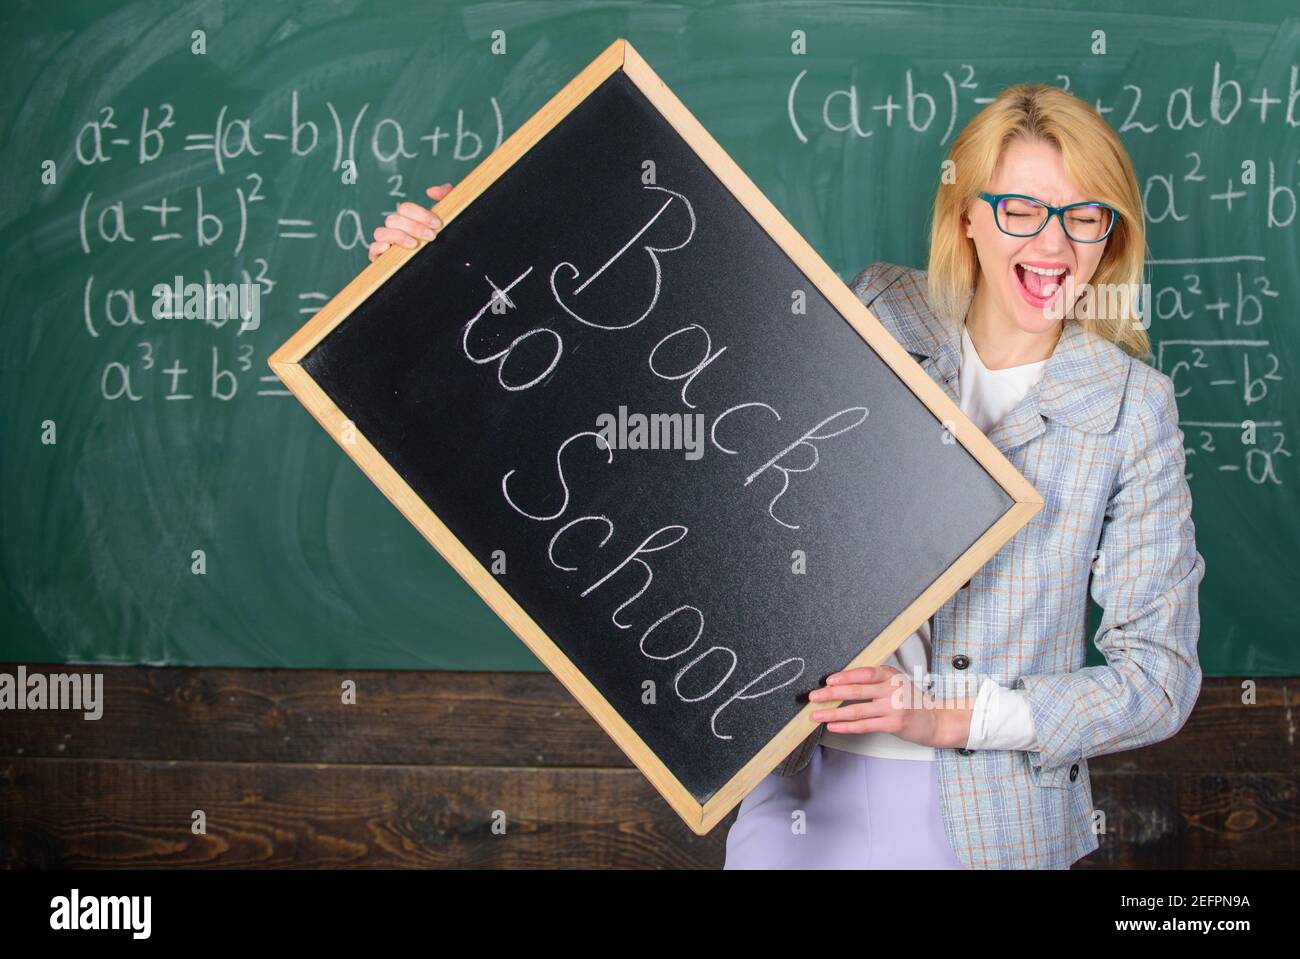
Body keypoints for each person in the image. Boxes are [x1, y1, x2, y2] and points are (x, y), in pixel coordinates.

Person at [369, 82, 1204, 870]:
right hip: (794, 787)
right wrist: (461, 269)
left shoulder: (1132, 409)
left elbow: (1157, 680)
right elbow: (658, 389)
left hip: (992, 824)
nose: (1052, 244)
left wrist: (950, 712)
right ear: (968, 218)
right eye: (1020, 209)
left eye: (1084, 216)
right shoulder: (878, 308)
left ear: (1112, 234)